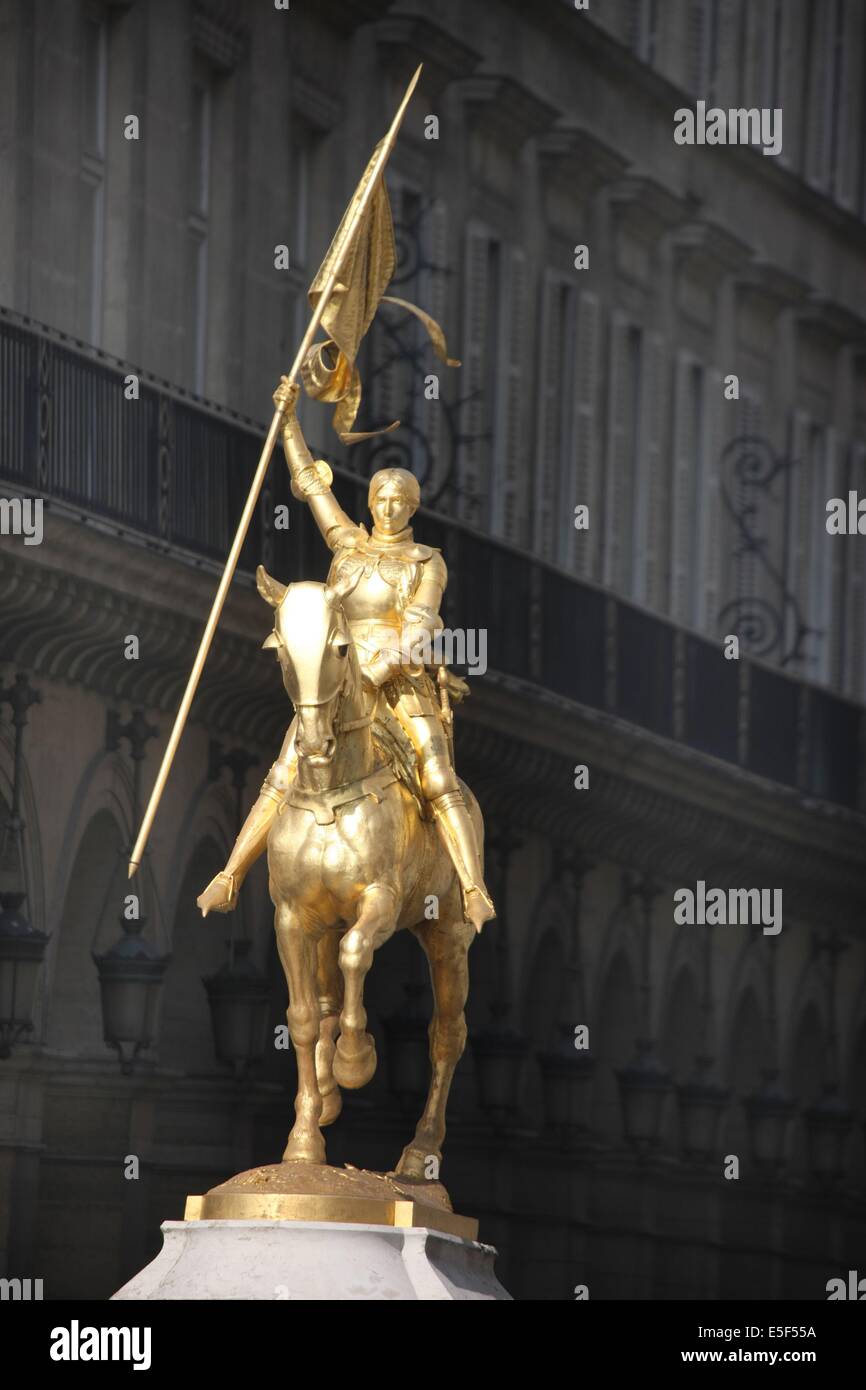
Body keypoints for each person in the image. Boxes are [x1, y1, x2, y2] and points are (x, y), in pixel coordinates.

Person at [197, 378, 495, 931]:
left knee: (436, 772)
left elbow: (424, 621)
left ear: (412, 507)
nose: (387, 506)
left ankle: (472, 886)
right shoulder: (349, 547)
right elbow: (311, 487)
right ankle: (232, 873)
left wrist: (386, 664)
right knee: (286, 767)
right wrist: (288, 424)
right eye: (381, 497)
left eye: (399, 500)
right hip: (337, 674)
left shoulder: (425, 561)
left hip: (399, 678)